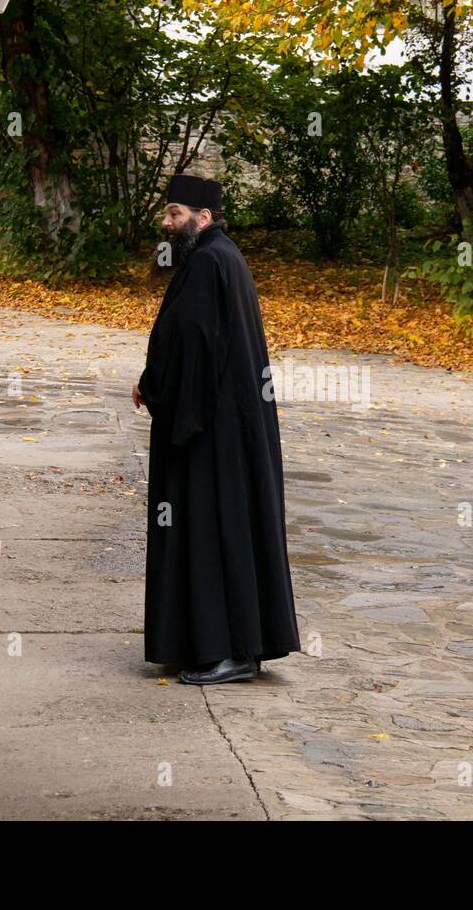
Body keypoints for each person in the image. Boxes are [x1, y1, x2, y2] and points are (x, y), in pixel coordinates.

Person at [134, 173, 301, 685]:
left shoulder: (209, 261)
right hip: (224, 423)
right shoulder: (217, 256)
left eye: (175, 214)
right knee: (216, 529)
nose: (166, 223)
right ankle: (207, 642)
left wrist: (158, 388)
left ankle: (233, 650)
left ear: (203, 218)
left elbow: (196, 346)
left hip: (211, 429)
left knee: (216, 531)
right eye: (166, 213)